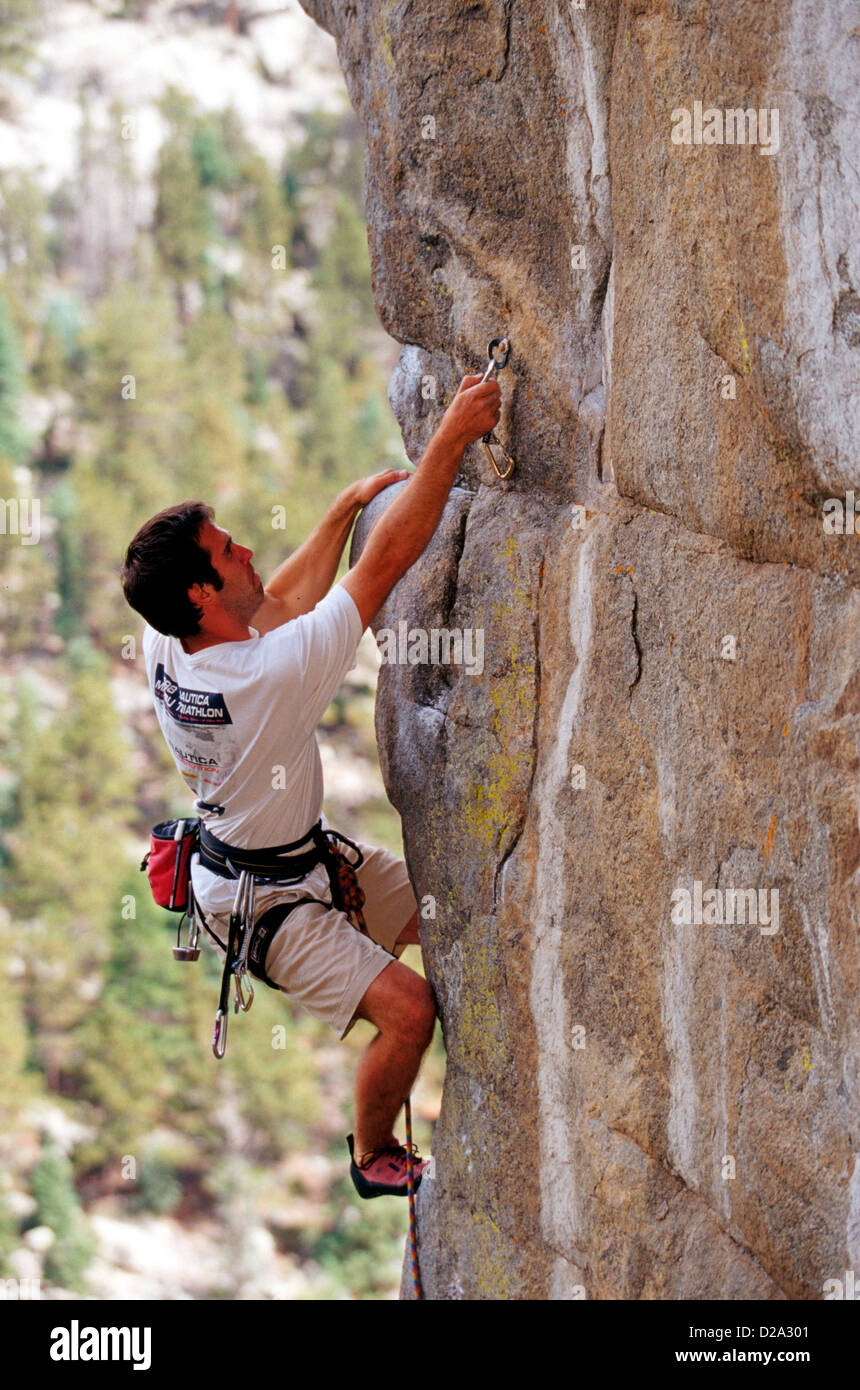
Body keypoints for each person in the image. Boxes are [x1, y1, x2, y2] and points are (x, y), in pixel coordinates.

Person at [121, 370, 501, 1197]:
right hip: (271, 905)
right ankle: (370, 1158)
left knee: (463, 917)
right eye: (228, 552)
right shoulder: (265, 677)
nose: (245, 549)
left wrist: (339, 509)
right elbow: (389, 558)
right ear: (199, 592)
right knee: (410, 1011)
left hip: (281, 861)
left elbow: (278, 601)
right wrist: (454, 435)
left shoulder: (170, 643)